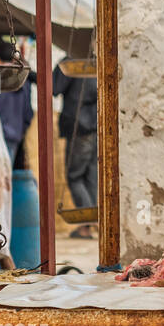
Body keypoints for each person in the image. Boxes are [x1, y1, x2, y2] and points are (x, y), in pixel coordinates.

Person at [51, 64, 98, 238]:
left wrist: (31, 74)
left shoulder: (69, 63)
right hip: (95, 127)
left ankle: (87, 223)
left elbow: (53, 87)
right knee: (91, 178)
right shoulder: (95, 62)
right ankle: (88, 224)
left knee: (75, 177)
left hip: (79, 127)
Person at [0, 35, 34, 169]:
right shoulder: (22, 78)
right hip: (14, 135)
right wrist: (21, 131)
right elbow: (28, 112)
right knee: (5, 176)